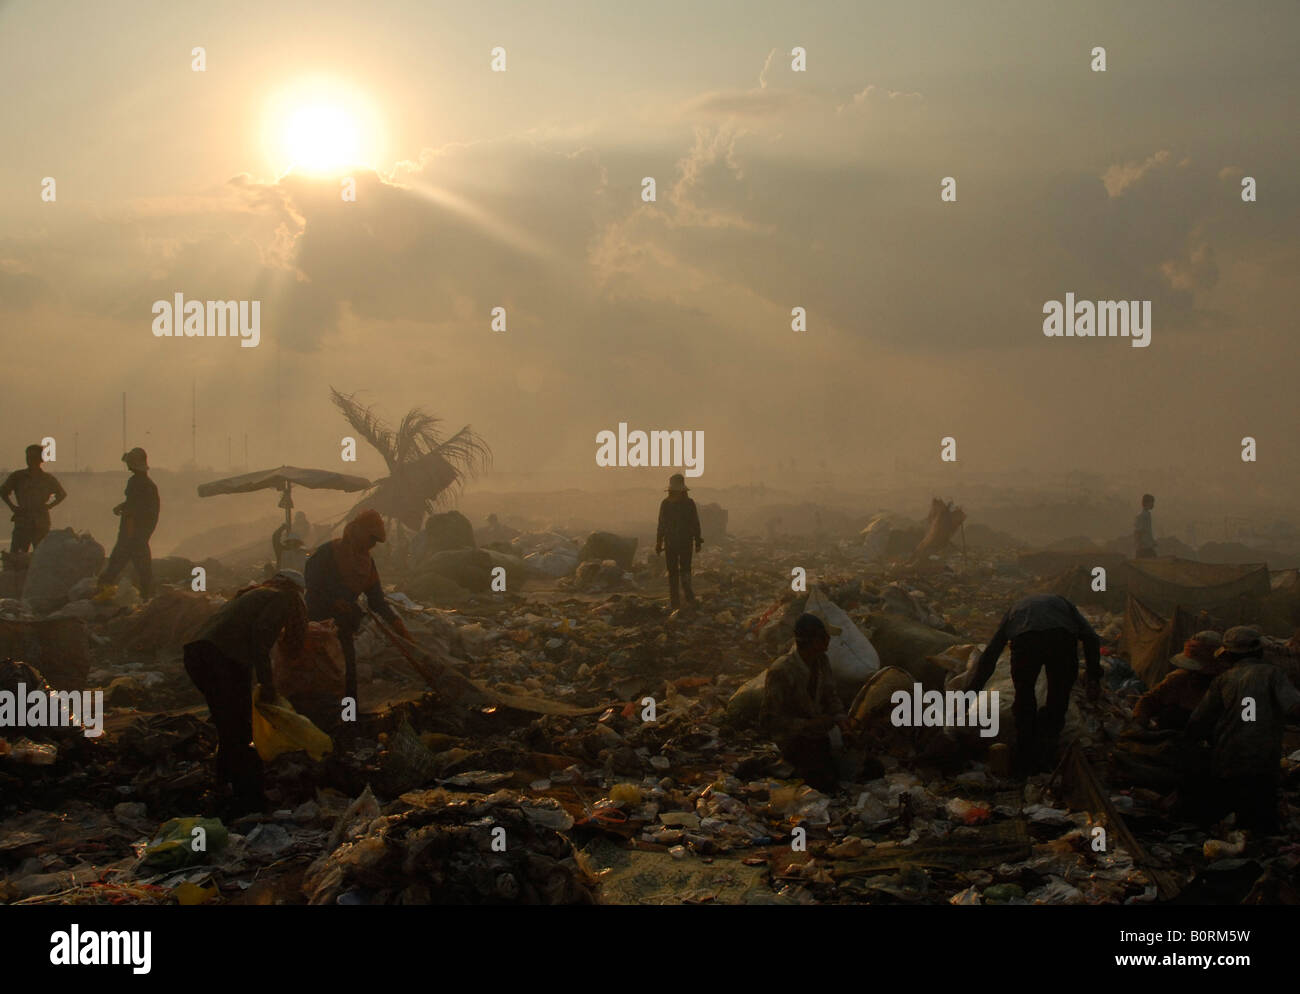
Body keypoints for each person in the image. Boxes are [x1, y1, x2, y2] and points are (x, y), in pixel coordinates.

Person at [183, 570, 306, 812]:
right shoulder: (283, 598)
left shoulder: (254, 594)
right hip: (220, 659)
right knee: (238, 730)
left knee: (228, 726)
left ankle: (223, 787)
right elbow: (260, 640)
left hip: (198, 655)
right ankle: (250, 799)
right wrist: (267, 685)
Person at [968, 593, 1102, 775]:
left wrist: (969, 693)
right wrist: (1093, 676)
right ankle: (1048, 753)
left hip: (1026, 640)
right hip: (1061, 639)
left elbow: (991, 654)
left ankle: (1026, 758)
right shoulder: (1064, 604)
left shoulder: (1016, 609)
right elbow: (1091, 638)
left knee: (1024, 698)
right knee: (1058, 699)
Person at [1184, 626, 1300, 832]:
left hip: (1227, 756)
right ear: (1259, 651)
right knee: (1261, 821)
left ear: (1229, 654)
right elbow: (1294, 706)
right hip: (1263, 759)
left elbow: (1199, 720)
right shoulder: (1272, 674)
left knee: (1228, 818)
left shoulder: (1224, 679)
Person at [304, 509, 410, 709]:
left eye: (376, 542)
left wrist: (398, 625)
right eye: (371, 539)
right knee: (320, 675)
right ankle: (320, 722)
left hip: (343, 626)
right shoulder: (328, 553)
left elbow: (376, 600)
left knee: (348, 674)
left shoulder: (367, 564)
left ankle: (349, 719)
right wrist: (333, 601)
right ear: (359, 532)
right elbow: (312, 585)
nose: (372, 545)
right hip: (318, 625)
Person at [759, 613, 849, 791]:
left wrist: (843, 723)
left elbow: (831, 696)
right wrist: (807, 724)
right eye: (825, 637)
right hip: (794, 740)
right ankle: (770, 765)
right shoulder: (782, 671)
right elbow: (768, 721)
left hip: (820, 736)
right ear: (814, 640)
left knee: (870, 769)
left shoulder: (821, 661)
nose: (829, 640)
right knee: (824, 783)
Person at [97, 448, 160, 599]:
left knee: (114, 567)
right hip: (140, 535)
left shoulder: (137, 482)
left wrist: (129, 535)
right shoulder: (146, 484)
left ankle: (101, 595)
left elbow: (135, 509)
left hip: (131, 535)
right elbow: (137, 504)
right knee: (144, 571)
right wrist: (122, 506)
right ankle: (147, 598)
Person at [1133, 630, 1223, 730]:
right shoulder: (1178, 678)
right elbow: (1149, 700)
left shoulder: (1221, 684)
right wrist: (1140, 719)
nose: (1194, 674)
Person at [1, 444, 67, 554]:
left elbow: (62, 494)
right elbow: (3, 492)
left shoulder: (47, 479)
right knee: (16, 557)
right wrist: (13, 507)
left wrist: (48, 506)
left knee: (42, 556)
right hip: (23, 521)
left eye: (33, 457)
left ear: (41, 459)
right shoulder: (18, 476)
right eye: (28, 457)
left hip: (41, 522)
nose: (30, 460)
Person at [655, 473, 702, 610]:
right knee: (677, 572)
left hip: (679, 543)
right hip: (678, 543)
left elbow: (694, 523)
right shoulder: (685, 503)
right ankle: (680, 600)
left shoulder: (670, 504)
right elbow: (662, 525)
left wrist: (698, 540)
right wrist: (659, 542)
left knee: (681, 571)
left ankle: (683, 599)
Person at [1134, 494, 1157, 559]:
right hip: (1144, 548)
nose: (1153, 504)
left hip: (1147, 546)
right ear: (1146, 503)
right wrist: (1140, 545)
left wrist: (1152, 542)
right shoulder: (1142, 516)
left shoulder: (1147, 515)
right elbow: (1138, 532)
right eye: (1151, 502)